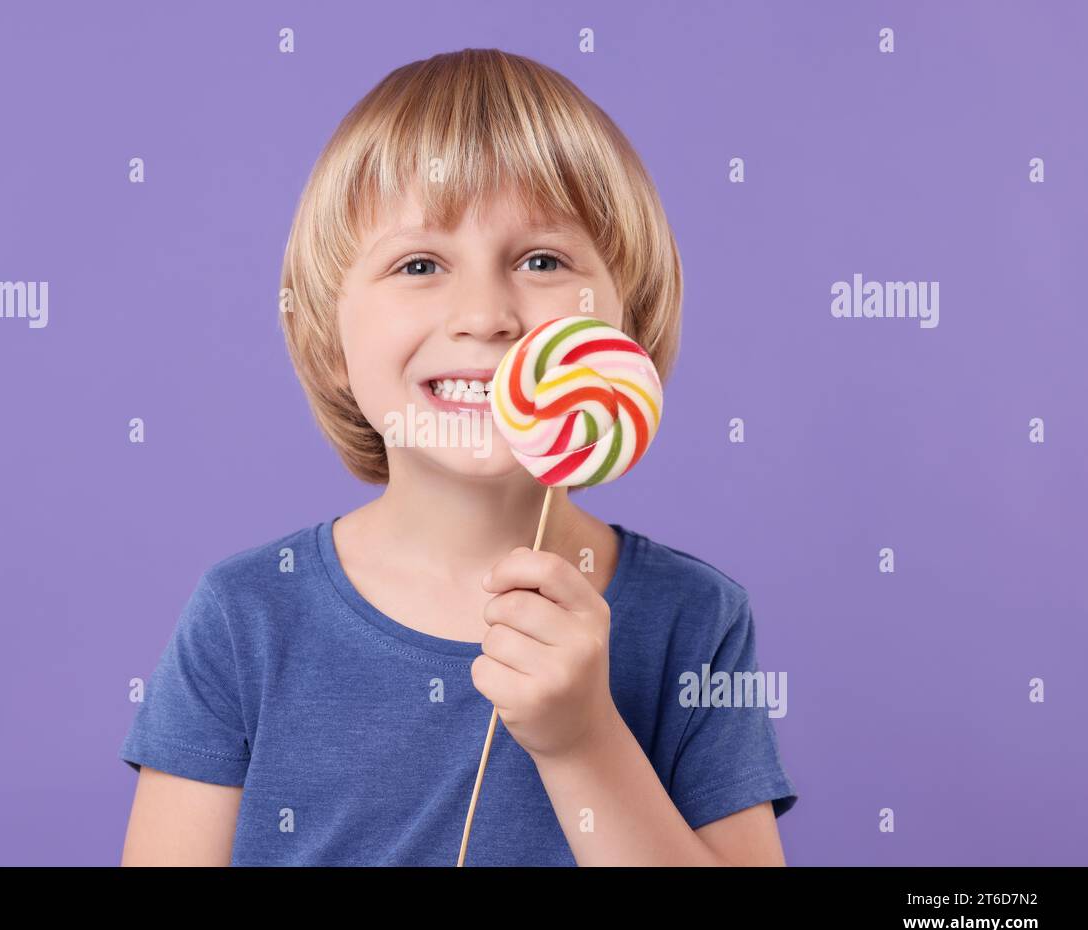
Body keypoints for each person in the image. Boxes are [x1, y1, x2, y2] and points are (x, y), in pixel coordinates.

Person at [119, 48, 797, 866]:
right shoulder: (246, 618)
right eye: (419, 264)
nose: (484, 314)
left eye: (542, 260)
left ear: (629, 331)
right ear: (330, 338)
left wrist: (583, 741)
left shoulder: (696, 619)